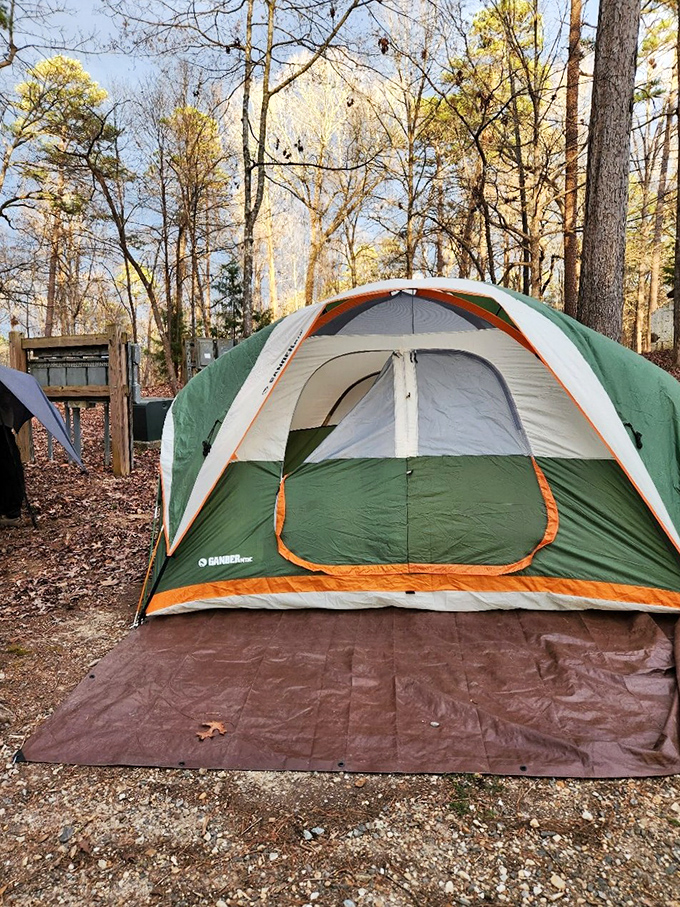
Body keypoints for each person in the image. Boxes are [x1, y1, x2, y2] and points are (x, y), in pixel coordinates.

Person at [0, 391, 24, 527]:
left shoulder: (4, 382)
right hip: (3, 429)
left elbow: (7, 400)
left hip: (3, 429)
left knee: (10, 469)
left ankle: (12, 511)